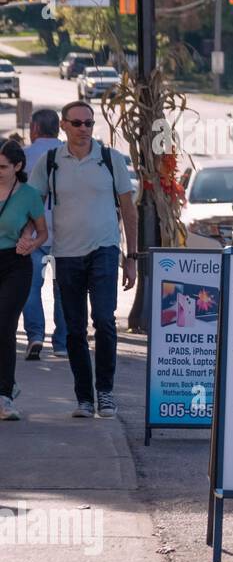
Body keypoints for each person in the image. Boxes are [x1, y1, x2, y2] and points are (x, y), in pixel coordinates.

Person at [23, 101, 137, 419]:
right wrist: (28, 237)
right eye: (77, 123)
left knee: (104, 320)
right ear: (64, 126)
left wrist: (132, 257)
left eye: (89, 123)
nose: (84, 129)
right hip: (66, 254)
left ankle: (106, 392)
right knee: (74, 329)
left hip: (104, 250)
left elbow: (129, 210)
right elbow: (34, 203)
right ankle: (84, 398)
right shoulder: (50, 162)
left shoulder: (109, 159)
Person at [0, 138, 49, 420]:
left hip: (15, 265)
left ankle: (4, 396)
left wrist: (31, 242)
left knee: (4, 325)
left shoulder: (28, 194)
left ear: (18, 166)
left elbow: (42, 232)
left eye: (3, 166)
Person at [22, 108, 67, 360]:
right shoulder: (69, 155)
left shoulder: (24, 157)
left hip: (32, 232)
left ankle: (35, 335)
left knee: (31, 287)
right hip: (66, 233)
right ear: (59, 128)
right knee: (64, 288)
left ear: (35, 129)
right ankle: (62, 343)